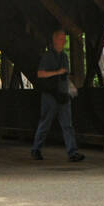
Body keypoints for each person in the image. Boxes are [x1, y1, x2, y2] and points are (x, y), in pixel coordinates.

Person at [32, 28, 84, 162]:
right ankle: (36, 149)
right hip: (50, 95)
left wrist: (71, 88)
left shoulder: (65, 57)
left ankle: (72, 152)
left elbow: (65, 76)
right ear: (55, 40)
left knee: (68, 125)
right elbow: (40, 74)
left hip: (63, 94)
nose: (64, 41)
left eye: (65, 39)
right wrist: (57, 72)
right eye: (61, 38)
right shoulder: (48, 56)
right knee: (45, 123)